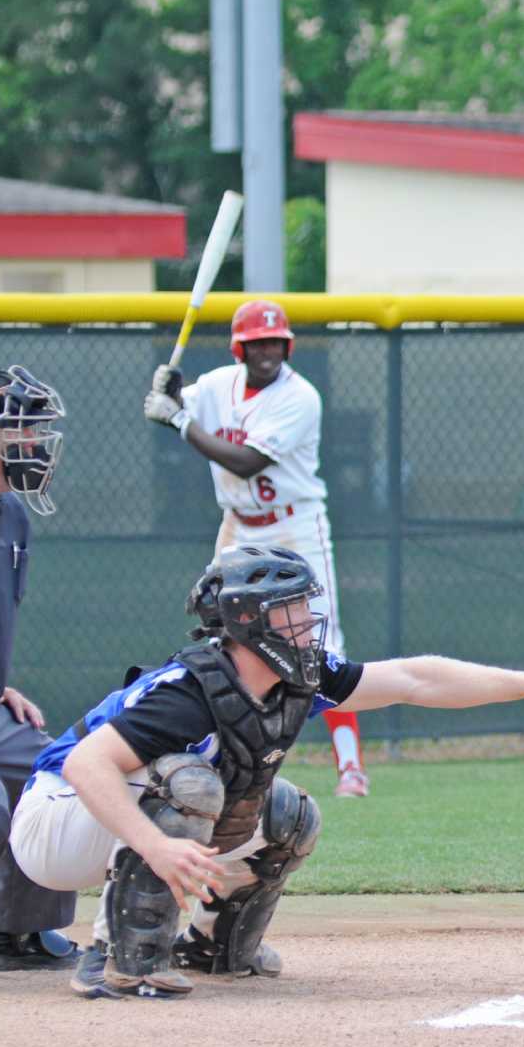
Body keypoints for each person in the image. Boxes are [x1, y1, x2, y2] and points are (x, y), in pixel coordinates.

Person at [9, 543, 524, 1000]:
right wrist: (152, 846)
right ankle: (119, 957)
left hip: (111, 817)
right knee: (190, 783)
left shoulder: (299, 673)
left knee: (288, 814)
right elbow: (88, 764)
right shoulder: (191, 690)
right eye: (289, 609)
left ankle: (213, 946)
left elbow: (414, 678)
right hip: (56, 823)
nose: (304, 619)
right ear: (247, 621)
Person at [143, 300, 369, 797]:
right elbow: (180, 399)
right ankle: (214, 756)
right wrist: (167, 390)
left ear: (287, 346)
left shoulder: (300, 396)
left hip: (294, 527)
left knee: (322, 645)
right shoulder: (221, 383)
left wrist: (177, 421)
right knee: (216, 636)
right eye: (256, 343)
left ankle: (350, 766)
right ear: (239, 347)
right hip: (237, 528)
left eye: (275, 342)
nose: (267, 351)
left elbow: (246, 462)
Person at [0, 366, 78, 970]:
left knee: (55, 777)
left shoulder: (10, 512)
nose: (32, 446)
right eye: (16, 431)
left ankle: (12, 930)